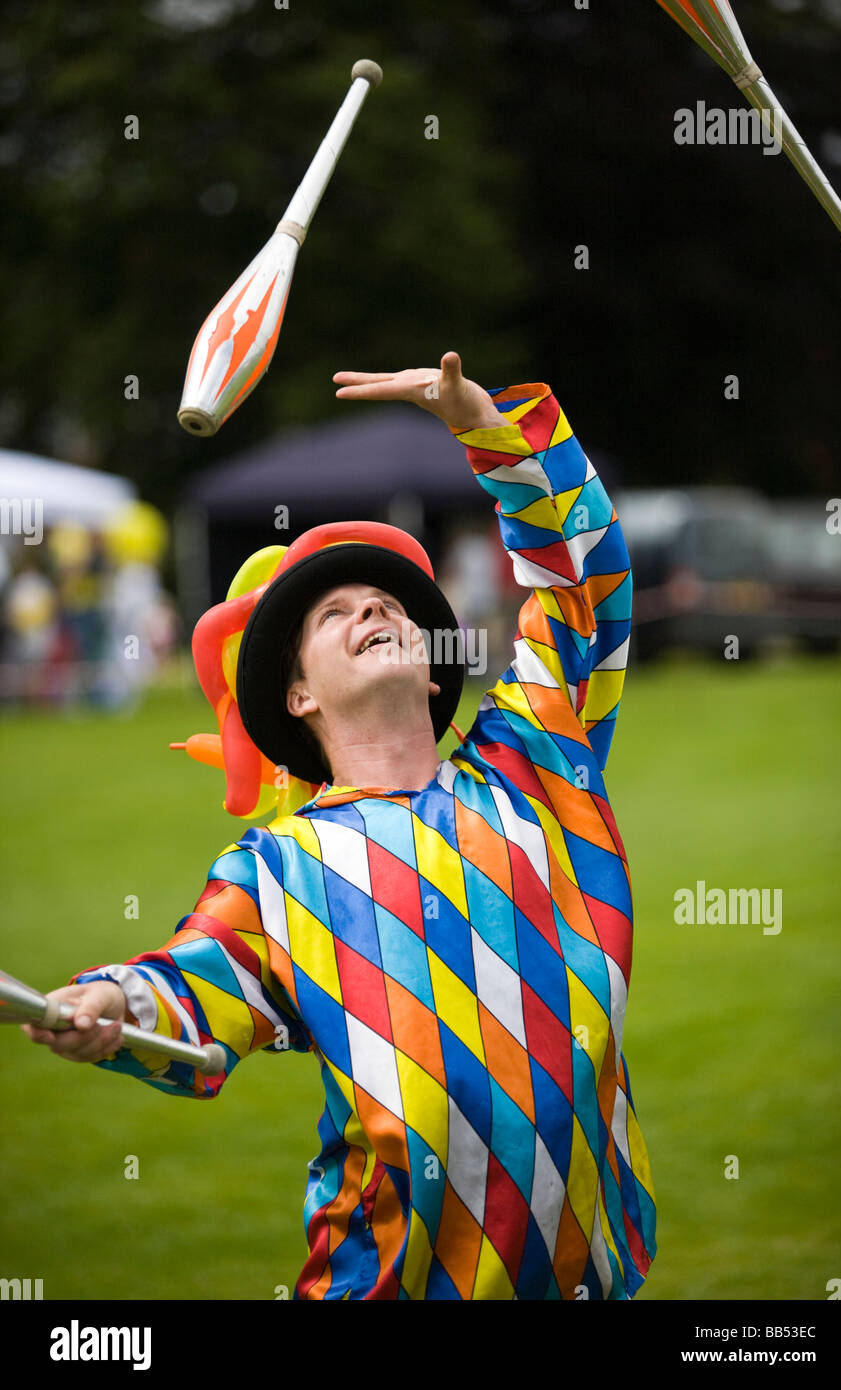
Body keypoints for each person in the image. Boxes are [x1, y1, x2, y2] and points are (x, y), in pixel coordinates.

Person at [24, 352, 656, 1301]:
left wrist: (492, 431)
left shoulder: (534, 760)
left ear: (434, 668)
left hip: (584, 1283)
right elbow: (184, 989)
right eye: (333, 613)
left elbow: (587, 590)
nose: (371, 604)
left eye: (387, 600)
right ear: (298, 695)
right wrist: (118, 1007)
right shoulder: (279, 871)